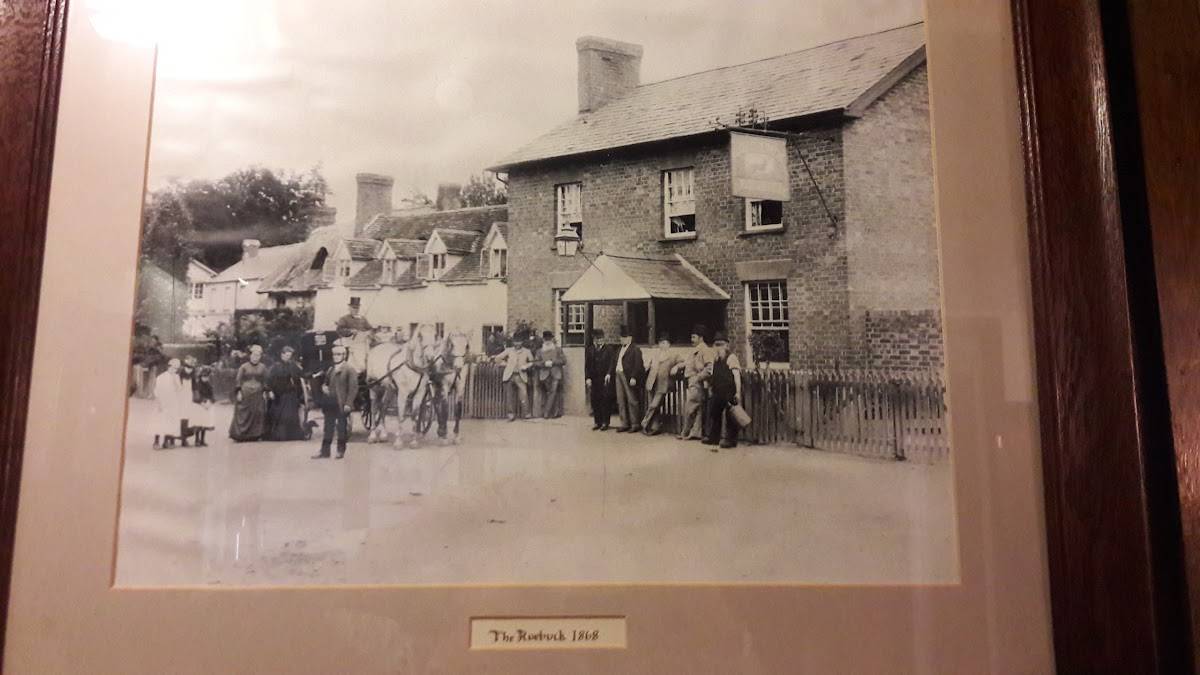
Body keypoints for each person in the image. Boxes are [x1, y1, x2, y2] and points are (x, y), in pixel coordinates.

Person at [314, 344, 357, 459]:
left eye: (338, 354)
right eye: (334, 354)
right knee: (328, 427)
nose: (336, 357)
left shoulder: (349, 369)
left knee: (341, 428)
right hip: (330, 403)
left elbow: (353, 388)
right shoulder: (331, 369)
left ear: (344, 355)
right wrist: (324, 387)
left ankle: (340, 451)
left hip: (341, 403)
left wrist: (348, 403)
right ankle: (325, 451)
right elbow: (326, 382)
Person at [703, 332, 743, 451]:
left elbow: (736, 376)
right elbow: (713, 375)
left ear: (727, 345)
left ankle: (731, 440)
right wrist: (710, 388)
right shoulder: (715, 359)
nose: (718, 347)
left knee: (731, 416)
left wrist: (738, 392)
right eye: (716, 345)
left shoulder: (731, 358)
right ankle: (714, 438)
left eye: (721, 345)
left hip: (730, 391)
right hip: (717, 391)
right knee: (715, 414)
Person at [674, 324, 714, 441]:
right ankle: (695, 433)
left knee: (690, 408)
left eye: (694, 337)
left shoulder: (705, 350)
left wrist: (698, 377)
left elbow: (709, 369)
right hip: (693, 382)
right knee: (697, 408)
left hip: (698, 383)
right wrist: (677, 366)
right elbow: (687, 363)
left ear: (701, 338)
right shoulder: (695, 350)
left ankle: (685, 432)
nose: (691, 340)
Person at [641, 333, 682, 436]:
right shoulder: (656, 355)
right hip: (652, 382)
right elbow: (649, 365)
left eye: (665, 343)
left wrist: (676, 367)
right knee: (653, 405)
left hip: (663, 384)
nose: (662, 345)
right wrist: (647, 367)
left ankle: (644, 423)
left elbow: (682, 362)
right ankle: (654, 427)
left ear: (669, 344)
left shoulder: (674, 355)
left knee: (654, 405)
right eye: (661, 343)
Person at [229, 345, 269, 442]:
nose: (256, 358)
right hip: (245, 393)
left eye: (258, 356)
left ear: (260, 356)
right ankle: (241, 434)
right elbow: (238, 380)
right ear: (250, 356)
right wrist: (239, 392)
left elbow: (265, 380)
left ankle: (255, 434)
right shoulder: (243, 367)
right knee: (244, 413)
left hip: (258, 394)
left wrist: (266, 391)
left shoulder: (263, 367)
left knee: (257, 413)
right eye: (254, 355)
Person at [266, 345, 306, 441]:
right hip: (279, 395)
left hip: (291, 394)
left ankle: (292, 435)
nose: (288, 357)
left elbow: (302, 374)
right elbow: (269, 380)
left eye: (290, 355)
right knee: (281, 415)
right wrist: (270, 391)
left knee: (291, 415)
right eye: (287, 355)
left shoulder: (293, 365)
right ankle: (280, 435)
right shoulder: (275, 367)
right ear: (282, 355)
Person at [612, 325, 646, 433]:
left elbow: (638, 364)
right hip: (618, 375)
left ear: (630, 338)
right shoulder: (618, 350)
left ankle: (635, 423)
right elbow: (615, 362)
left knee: (632, 400)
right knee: (620, 400)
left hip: (628, 376)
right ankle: (624, 423)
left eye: (624, 337)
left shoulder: (635, 349)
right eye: (621, 337)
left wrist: (634, 377)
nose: (622, 339)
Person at [152, 358, 191, 449]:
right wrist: (159, 404)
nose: (175, 370)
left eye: (177, 369)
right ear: (169, 367)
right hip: (163, 402)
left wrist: (176, 381)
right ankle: (156, 441)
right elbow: (157, 391)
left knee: (170, 423)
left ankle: (166, 441)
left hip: (173, 403)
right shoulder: (161, 377)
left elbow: (179, 390)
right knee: (160, 422)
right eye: (173, 368)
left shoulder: (176, 377)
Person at [493, 338, 533, 421]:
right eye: (515, 341)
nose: (517, 343)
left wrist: (526, 366)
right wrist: (506, 364)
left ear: (522, 342)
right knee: (509, 396)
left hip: (520, 375)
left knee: (523, 395)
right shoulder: (509, 350)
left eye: (519, 341)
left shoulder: (526, 351)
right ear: (513, 342)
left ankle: (526, 414)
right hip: (509, 375)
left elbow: (532, 361)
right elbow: (497, 358)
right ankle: (511, 415)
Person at [584, 328, 616, 430]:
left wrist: (609, 374)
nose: (599, 341)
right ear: (594, 340)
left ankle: (605, 422)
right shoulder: (590, 350)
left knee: (605, 400)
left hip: (605, 379)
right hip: (594, 379)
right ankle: (597, 422)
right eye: (597, 339)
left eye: (601, 339)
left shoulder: (609, 349)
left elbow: (612, 363)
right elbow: (587, 366)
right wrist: (588, 378)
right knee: (595, 400)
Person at [535, 331, 566, 419]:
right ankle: (554, 412)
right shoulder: (539, 351)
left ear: (552, 339)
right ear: (543, 340)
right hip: (544, 375)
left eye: (549, 339)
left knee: (553, 391)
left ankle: (546, 413)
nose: (547, 341)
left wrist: (553, 362)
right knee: (550, 393)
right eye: (546, 339)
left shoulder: (558, 349)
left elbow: (564, 361)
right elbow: (536, 363)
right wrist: (544, 363)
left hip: (556, 373)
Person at [190, 365, 216, 447]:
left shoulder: (208, 385)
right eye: (204, 376)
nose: (205, 378)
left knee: (205, 423)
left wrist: (210, 401)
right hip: (199, 405)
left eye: (207, 376)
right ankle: (197, 440)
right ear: (201, 376)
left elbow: (212, 395)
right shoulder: (197, 385)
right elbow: (196, 396)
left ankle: (202, 440)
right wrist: (202, 403)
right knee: (198, 423)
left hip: (207, 405)